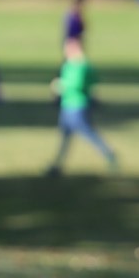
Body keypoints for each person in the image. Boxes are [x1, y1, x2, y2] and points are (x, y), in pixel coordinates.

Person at [45, 38, 116, 176]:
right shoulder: (69, 66)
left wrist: (59, 86)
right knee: (65, 137)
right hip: (66, 106)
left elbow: (77, 85)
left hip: (77, 106)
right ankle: (57, 164)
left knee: (88, 133)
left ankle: (109, 154)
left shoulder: (82, 67)